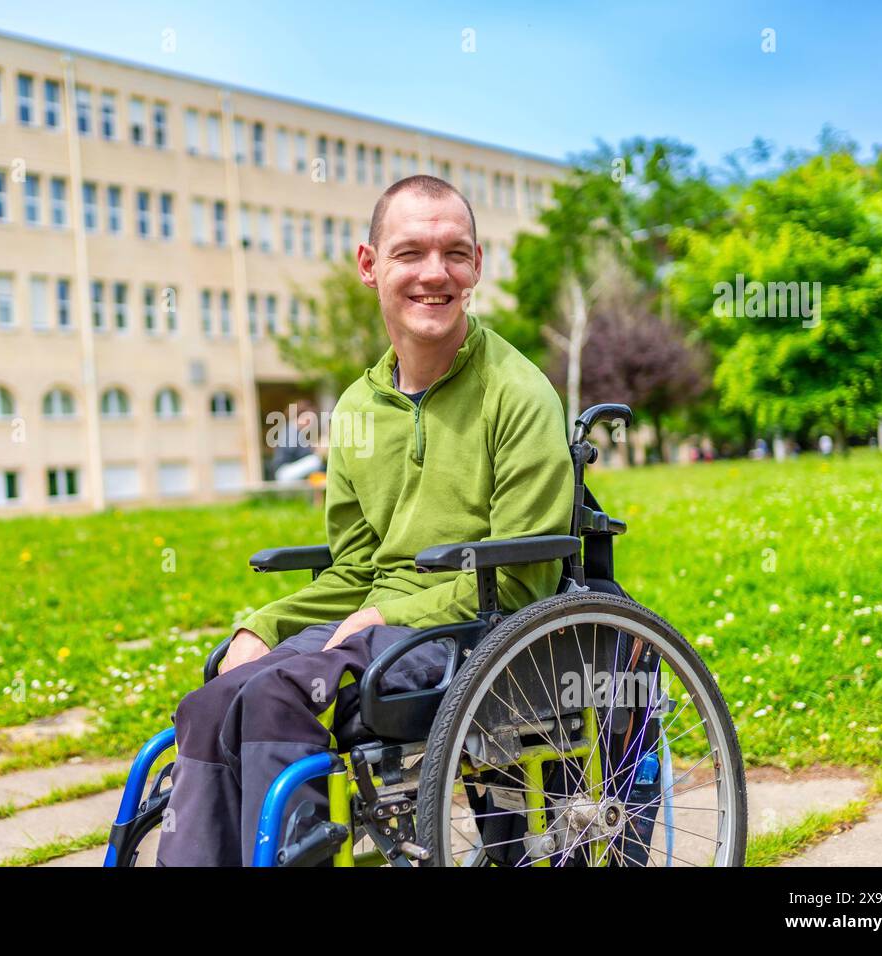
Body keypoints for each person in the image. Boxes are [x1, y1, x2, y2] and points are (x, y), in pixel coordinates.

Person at [155, 175, 574, 866]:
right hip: (377, 631)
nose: (434, 273)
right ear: (369, 264)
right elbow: (355, 569)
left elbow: (525, 578)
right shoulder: (355, 408)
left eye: (455, 253)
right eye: (410, 252)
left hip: (475, 630)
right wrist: (265, 624)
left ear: (477, 265)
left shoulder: (519, 393)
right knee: (216, 697)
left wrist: (384, 615)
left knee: (280, 697)